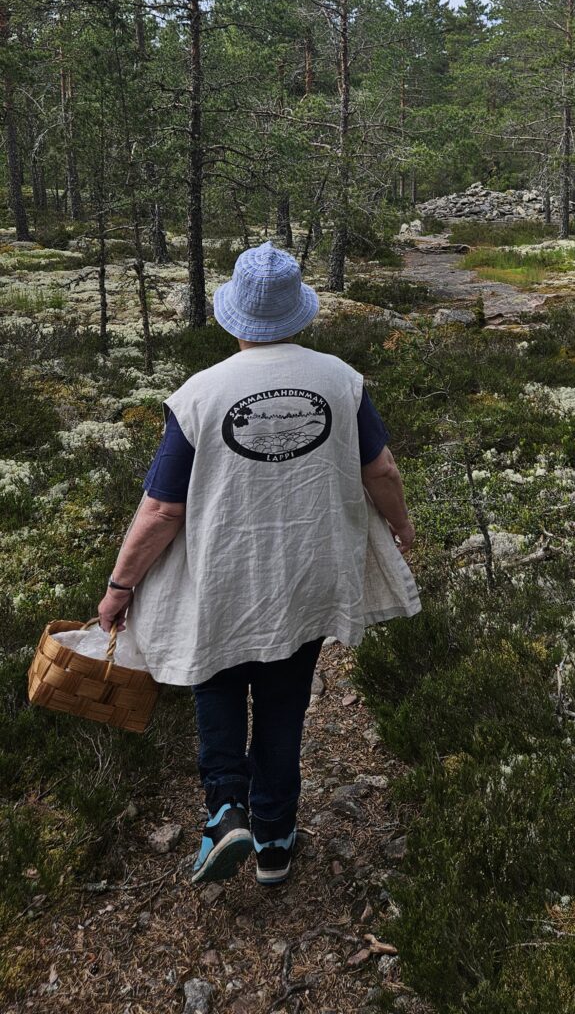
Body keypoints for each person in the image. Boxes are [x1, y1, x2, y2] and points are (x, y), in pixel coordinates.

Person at [97, 242, 420, 888]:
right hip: (304, 579)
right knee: (282, 704)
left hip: (221, 577)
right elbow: (379, 469)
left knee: (215, 682)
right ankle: (275, 839)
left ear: (235, 318)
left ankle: (225, 810)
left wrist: (118, 587)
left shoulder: (200, 395)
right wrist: (401, 524)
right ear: (298, 315)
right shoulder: (341, 381)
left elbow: (162, 510)